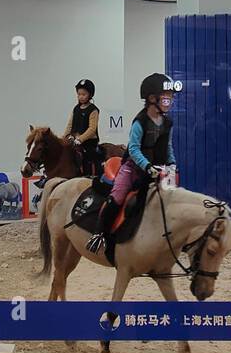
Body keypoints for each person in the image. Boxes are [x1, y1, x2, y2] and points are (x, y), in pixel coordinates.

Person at [86, 73, 177, 254]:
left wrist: (172, 164)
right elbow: (134, 149)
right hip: (133, 168)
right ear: (152, 98)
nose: (171, 100)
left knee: (172, 198)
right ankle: (99, 233)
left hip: (159, 170)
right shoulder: (140, 122)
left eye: (171, 96)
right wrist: (147, 166)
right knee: (117, 197)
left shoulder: (167, 122)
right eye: (167, 96)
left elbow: (168, 147)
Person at [62, 78, 101, 176]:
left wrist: (80, 139)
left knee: (87, 157)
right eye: (79, 94)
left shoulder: (93, 110)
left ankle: (89, 175)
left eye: (84, 94)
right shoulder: (76, 109)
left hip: (88, 142)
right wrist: (66, 137)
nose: (81, 97)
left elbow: (92, 129)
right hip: (74, 141)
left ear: (90, 95)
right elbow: (70, 125)